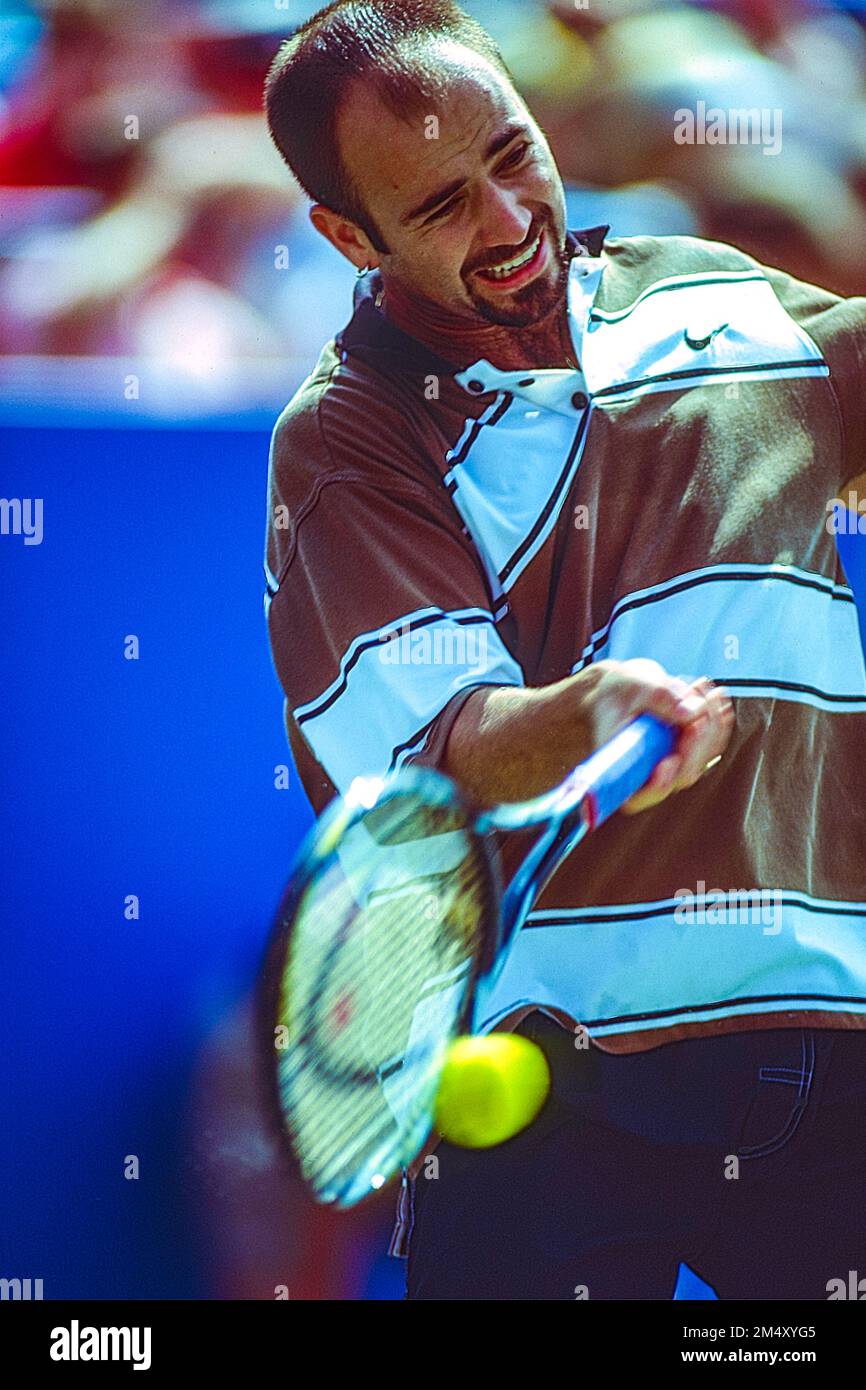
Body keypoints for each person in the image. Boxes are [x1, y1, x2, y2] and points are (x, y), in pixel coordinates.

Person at [262, 0, 866, 1299]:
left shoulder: (710, 292)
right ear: (344, 235)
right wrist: (591, 709)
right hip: (556, 1076)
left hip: (834, 1038)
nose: (504, 218)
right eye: (436, 207)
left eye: (511, 154)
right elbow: (440, 750)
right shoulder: (348, 438)